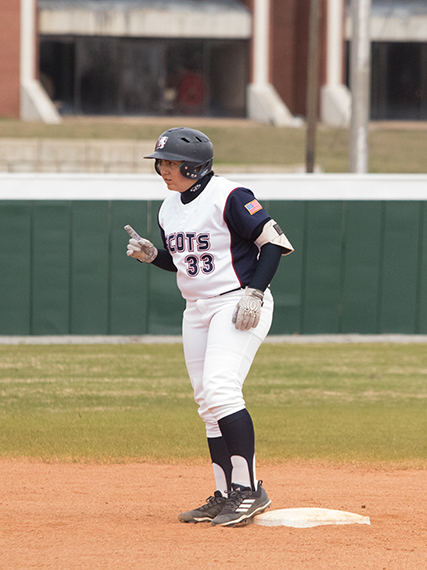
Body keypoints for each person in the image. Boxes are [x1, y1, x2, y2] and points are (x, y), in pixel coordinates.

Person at [124, 127, 293, 527]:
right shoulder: (169, 208)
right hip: (196, 307)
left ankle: (250, 490)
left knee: (221, 388)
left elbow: (274, 244)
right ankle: (225, 492)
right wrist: (155, 256)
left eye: (169, 163)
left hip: (237, 301)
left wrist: (255, 292)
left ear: (195, 167)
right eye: (160, 163)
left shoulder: (231, 196)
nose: (163, 169)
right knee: (207, 402)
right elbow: (186, 263)